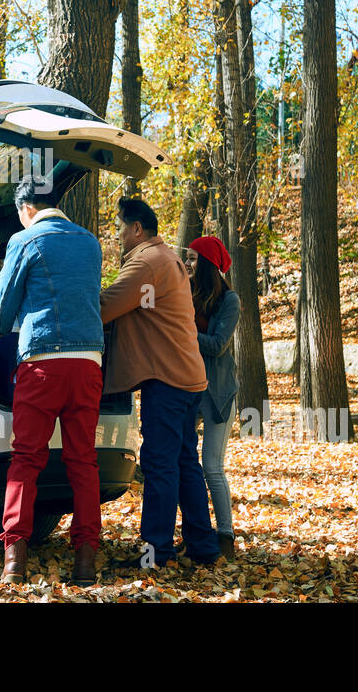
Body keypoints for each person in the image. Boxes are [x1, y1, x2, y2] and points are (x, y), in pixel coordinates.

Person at [0, 175, 105, 586]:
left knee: (26, 458)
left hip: (42, 359)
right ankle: (85, 563)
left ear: (26, 210)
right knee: (83, 460)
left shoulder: (24, 241)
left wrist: (2, 327)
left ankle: (14, 562)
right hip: (89, 362)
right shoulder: (90, 242)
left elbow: (3, 311)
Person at [100, 197, 219, 569]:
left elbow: (106, 306)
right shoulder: (166, 257)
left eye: (121, 228)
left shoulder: (146, 261)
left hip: (166, 381)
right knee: (184, 463)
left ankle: (154, 554)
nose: (119, 237)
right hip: (188, 377)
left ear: (137, 228)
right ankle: (203, 546)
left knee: (160, 465)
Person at [184, 236, 240, 561]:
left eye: (193, 259)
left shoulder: (229, 301)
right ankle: (194, 533)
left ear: (206, 263)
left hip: (218, 391)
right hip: (188, 389)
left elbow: (218, 344)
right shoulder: (186, 293)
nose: (188, 264)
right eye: (187, 259)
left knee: (212, 467)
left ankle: (226, 537)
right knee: (185, 464)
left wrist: (184, 329)